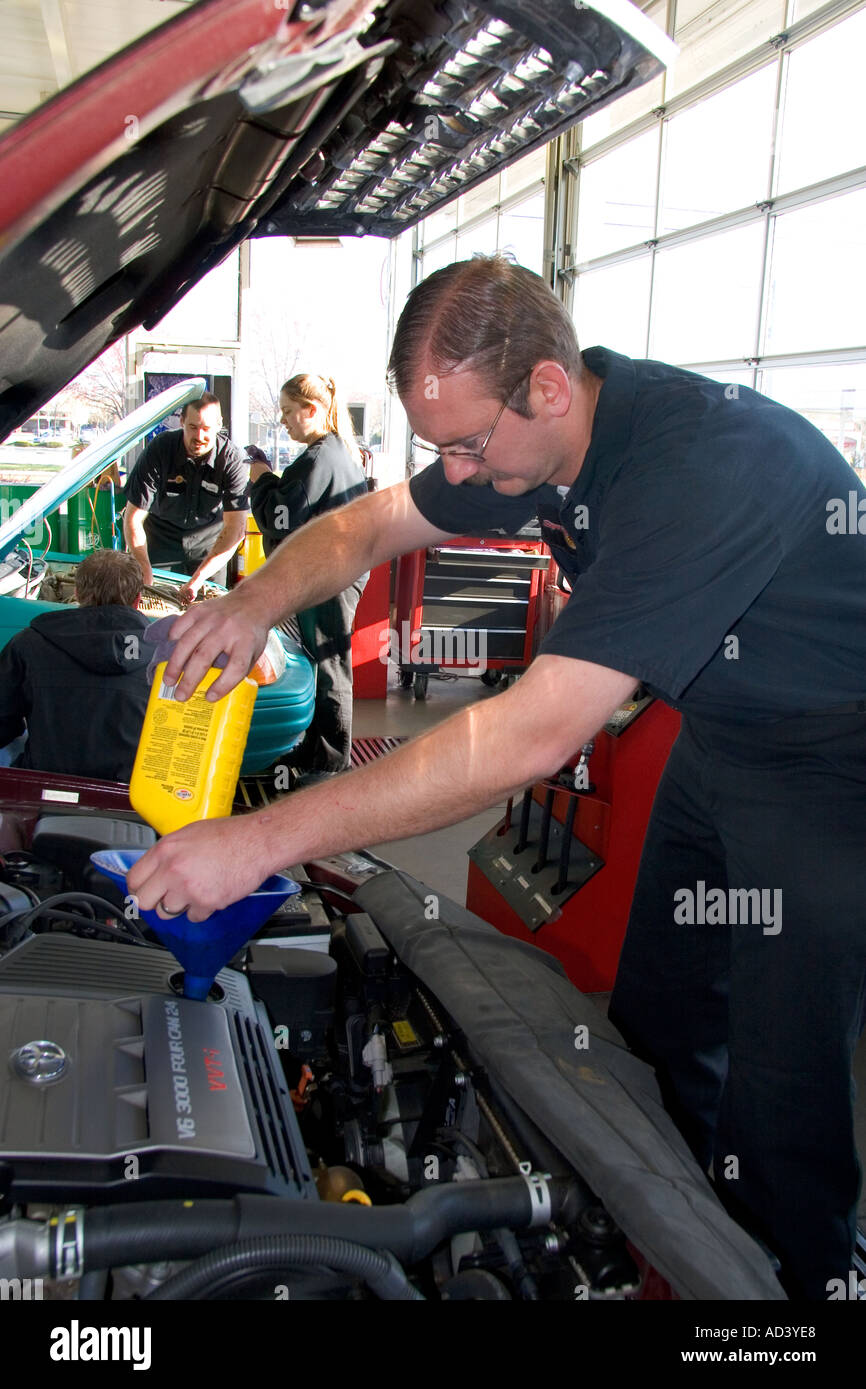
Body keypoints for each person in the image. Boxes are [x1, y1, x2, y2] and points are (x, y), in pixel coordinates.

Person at [126, 256, 866, 1301]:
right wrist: (250, 605)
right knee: (658, 1023)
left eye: (467, 446)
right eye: (440, 450)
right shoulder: (526, 440)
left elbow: (524, 737)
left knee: (783, 1088)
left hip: (831, 760)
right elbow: (366, 524)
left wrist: (258, 838)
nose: (457, 476)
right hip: (722, 741)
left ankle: (799, 1291)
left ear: (549, 389)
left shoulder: (698, 462)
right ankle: (685, 1234)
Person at [247, 373, 369, 777]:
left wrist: (261, 477)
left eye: (287, 412)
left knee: (332, 666)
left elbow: (278, 518)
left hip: (330, 578)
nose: (283, 421)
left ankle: (333, 762)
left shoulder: (319, 458)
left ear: (311, 410)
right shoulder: (332, 453)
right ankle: (316, 750)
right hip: (333, 573)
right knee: (321, 661)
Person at [0, 549, 151, 781]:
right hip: (134, 792)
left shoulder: (28, 643)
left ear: (78, 594)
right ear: (137, 600)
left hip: (46, 786)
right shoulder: (167, 652)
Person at [122, 392, 248, 602]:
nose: (199, 436)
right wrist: (144, 569)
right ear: (181, 421)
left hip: (210, 547)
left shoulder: (233, 460)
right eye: (193, 427)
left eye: (207, 429)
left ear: (219, 425)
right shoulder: (160, 450)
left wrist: (198, 579)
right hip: (159, 543)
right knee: (152, 607)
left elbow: (235, 529)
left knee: (210, 616)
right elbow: (133, 518)